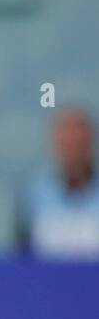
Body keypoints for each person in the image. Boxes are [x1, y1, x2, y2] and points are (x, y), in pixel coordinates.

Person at [19, 108, 99, 258]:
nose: (73, 151)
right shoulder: (35, 196)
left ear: (91, 143)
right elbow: (22, 255)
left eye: (79, 143)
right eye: (67, 143)